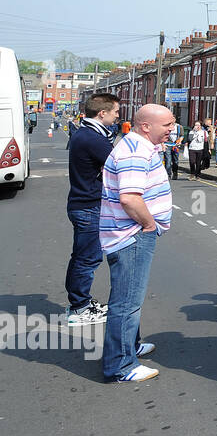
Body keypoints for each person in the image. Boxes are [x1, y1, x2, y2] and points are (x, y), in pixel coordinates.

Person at [99, 103, 175, 382]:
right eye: (167, 125)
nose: (172, 129)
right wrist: (149, 224)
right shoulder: (135, 152)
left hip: (128, 233)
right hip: (131, 235)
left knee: (128, 296)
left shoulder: (138, 146)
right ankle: (121, 364)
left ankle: (130, 346)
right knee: (127, 301)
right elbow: (130, 197)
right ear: (146, 126)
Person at [65, 93, 120, 327]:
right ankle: (79, 308)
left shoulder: (85, 133)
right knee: (87, 259)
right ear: (102, 113)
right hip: (88, 206)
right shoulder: (92, 138)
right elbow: (117, 163)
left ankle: (80, 303)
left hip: (83, 204)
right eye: (115, 111)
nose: (118, 115)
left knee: (81, 257)